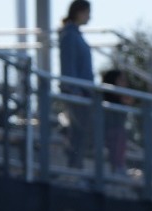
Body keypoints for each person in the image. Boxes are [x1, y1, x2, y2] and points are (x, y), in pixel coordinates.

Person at [57, 0, 94, 169]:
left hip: (84, 92)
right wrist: (73, 90)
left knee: (82, 132)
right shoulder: (69, 35)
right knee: (77, 131)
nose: (89, 16)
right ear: (79, 12)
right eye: (87, 12)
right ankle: (74, 166)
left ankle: (76, 165)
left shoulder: (76, 34)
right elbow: (68, 65)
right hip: (76, 92)